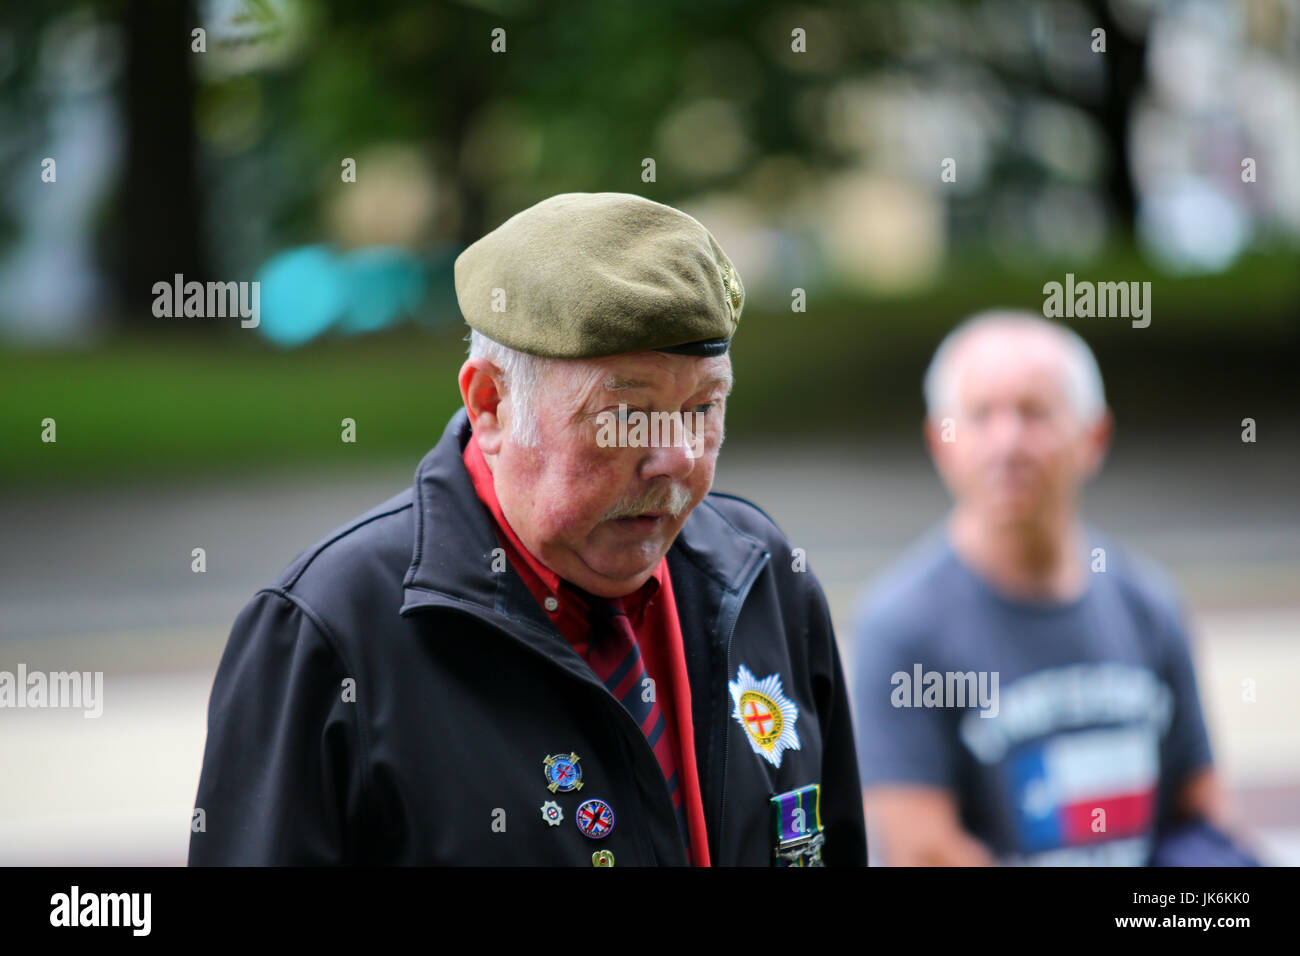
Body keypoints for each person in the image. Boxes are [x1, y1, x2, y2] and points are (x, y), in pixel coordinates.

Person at [189, 192, 866, 866]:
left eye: (703, 406)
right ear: (491, 405)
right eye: (628, 414)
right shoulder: (332, 631)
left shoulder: (762, 576)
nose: (679, 455)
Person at [851, 310, 1223, 866]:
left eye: (1034, 413)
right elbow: (923, 853)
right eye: (980, 416)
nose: (1008, 443)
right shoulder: (901, 628)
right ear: (941, 441)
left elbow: (1200, 822)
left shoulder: (1149, 604)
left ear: (1093, 436)